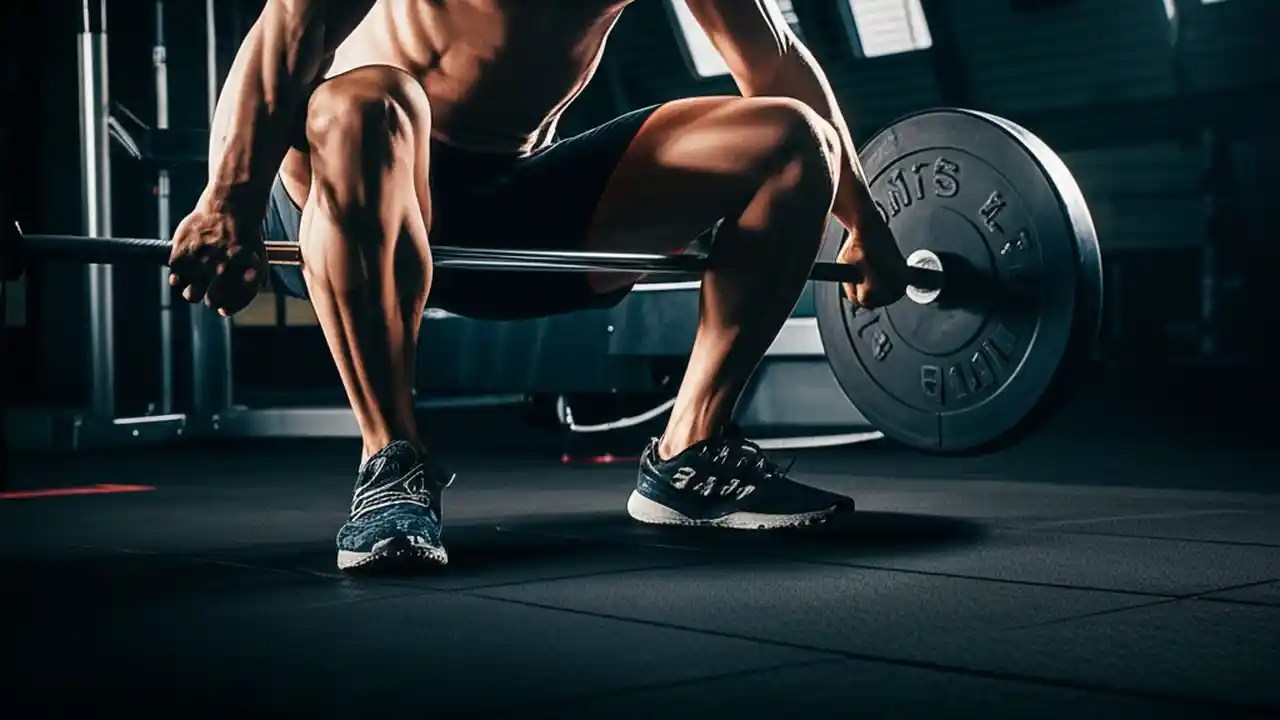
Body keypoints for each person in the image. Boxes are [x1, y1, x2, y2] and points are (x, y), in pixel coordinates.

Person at [167, 0, 908, 573]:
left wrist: (866, 222)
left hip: (512, 197)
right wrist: (228, 200)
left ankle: (690, 450)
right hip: (347, 183)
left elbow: (774, 61)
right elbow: (286, 33)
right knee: (366, 103)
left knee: (796, 138)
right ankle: (391, 460)